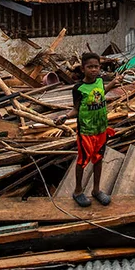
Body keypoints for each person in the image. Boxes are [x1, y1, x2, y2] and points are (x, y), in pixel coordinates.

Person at [55, 52, 120, 207]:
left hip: (101, 129)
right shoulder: (78, 88)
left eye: (96, 67)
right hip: (86, 131)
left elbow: (101, 93)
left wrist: (114, 83)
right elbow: (76, 109)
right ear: (83, 69)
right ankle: (78, 191)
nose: (94, 70)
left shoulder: (99, 81)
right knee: (82, 161)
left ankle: (96, 190)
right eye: (90, 67)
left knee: (98, 159)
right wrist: (65, 116)